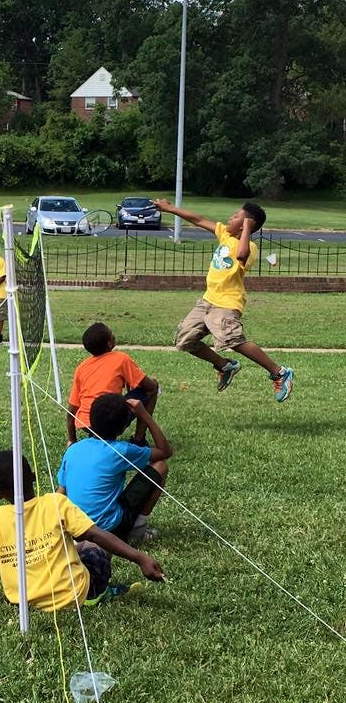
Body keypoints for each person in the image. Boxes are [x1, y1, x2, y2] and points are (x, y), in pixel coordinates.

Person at [0, 450, 165, 618]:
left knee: (77, 546)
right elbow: (96, 535)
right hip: (73, 595)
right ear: (34, 477)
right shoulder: (55, 502)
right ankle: (98, 593)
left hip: (25, 602)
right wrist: (140, 557)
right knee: (95, 547)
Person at [152, 199, 293, 402]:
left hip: (226, 303)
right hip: (207, 300)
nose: (230, 218)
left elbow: (241, 255)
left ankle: (279, 372)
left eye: (236, 216)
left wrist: (247, 228)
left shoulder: (250, 247)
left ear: (247, 225)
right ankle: (225, 366)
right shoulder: (225, 234)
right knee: (184, 340)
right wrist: (169, 208)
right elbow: (198, 219)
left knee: (232, 340)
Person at [58, 393, 172, 545]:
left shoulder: (74, 449)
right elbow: (165, 451)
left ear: (90, 421)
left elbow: (60, 492)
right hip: (109, 531)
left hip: (76, 529)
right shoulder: (121, 450)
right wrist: (144, 415)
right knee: (160, 466)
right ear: (123, 427)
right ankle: (137, 530)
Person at [67, 322, 159, 447]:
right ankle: (138, 439)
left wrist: (72, 440)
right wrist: (151, 383)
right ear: (109, 343)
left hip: (85, 423)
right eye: (111, 332)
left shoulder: (81, 367)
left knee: (104, 412)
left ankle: (96, 437)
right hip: (109, 419)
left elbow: (71, 410)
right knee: (154, 388)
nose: (114, 333)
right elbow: (150, 387)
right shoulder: (121, 359)